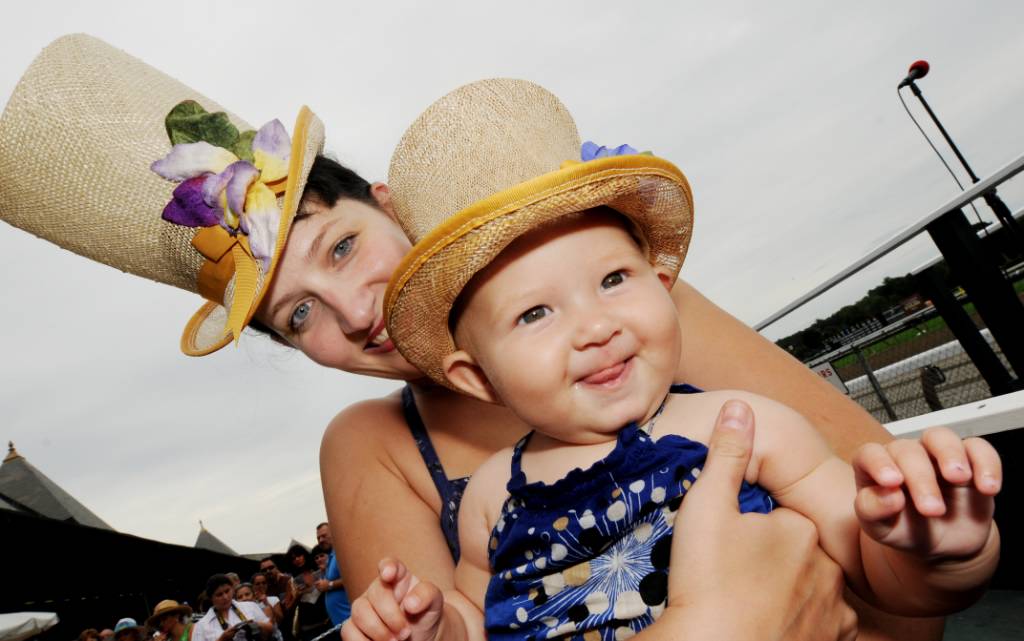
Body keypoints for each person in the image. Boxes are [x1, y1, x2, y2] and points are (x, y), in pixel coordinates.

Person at [0, 34, 939, 640]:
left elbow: (910, 548)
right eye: (298, 316)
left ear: (393, 205)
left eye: (343, 246)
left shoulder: (623, 318)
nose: (353, 310)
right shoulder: (373, 446)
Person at [340, 80, 1001, 641]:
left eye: (613, 280)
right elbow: (474, 613)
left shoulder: (747, 425)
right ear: (477, 376)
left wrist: (939, 550)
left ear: (662, 288)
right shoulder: (489, 497)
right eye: (535, 313)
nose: (595, 326)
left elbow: (881, 573)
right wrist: (434, 625)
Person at [193, 574, 274, 641]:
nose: (225, 597)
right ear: (211, 598)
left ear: (232, 589)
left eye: (227, 591)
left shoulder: (250, 606)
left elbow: (271, 629)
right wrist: (222, 639)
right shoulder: (201, 625)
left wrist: (257, 625)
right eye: (219, 595)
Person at [314, 522, 352, 625]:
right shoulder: (331, 557)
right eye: (318, 538)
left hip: (351, 619)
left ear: (334, 533)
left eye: (324, 536)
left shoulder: (342, 552)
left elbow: (353, 579)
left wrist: (329, 585)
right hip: (342, 623)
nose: (321, 540)